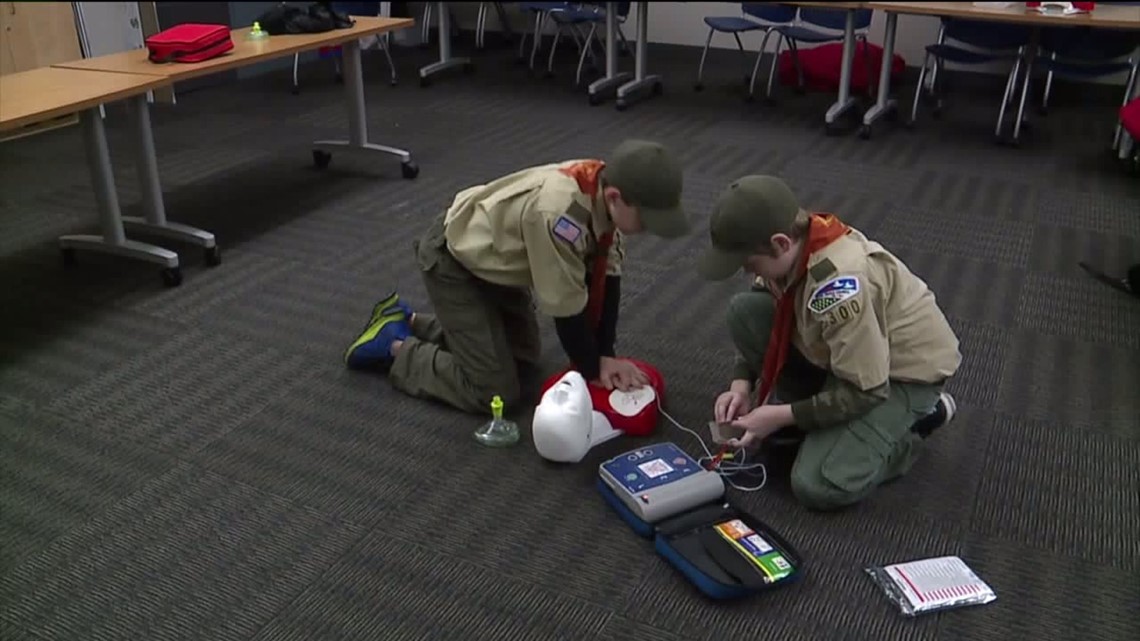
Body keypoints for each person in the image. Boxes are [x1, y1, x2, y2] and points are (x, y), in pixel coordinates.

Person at [343, 139, 690, 415]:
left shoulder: (607, 190)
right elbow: (567, 310)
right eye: (647, 220)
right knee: (495, 392)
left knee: (523, 358)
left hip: (500, 265)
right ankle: (394, 344)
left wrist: (605, 354)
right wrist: (595, 367)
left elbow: (608, 278)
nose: (650, 230)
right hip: (454, 259)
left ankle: (412, 319)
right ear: (615, 198)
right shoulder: (561, 215)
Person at [699, 175, 962, 511]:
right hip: (846, 359)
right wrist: (740, 384)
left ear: (780, 243)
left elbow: (865, 389)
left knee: (818, 484)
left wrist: (781, 415)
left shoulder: (837, 287)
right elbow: (771, 307)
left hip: (898, 377)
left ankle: (920, 421)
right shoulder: (793, 245)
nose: (746, 271)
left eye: (748, 263)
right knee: (745, 310)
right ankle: (826, 425)